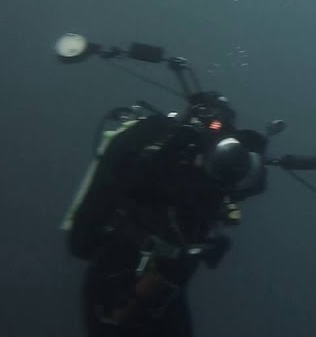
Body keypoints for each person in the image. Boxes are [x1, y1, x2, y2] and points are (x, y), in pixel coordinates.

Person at [67, 94, 267, 336]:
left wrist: (249, 149)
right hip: (120, 275)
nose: (215, 128)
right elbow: (124, 182)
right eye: (211, 120)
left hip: (160, 286)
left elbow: (252, 185)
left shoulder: (211, 167)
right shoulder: (161, 143)